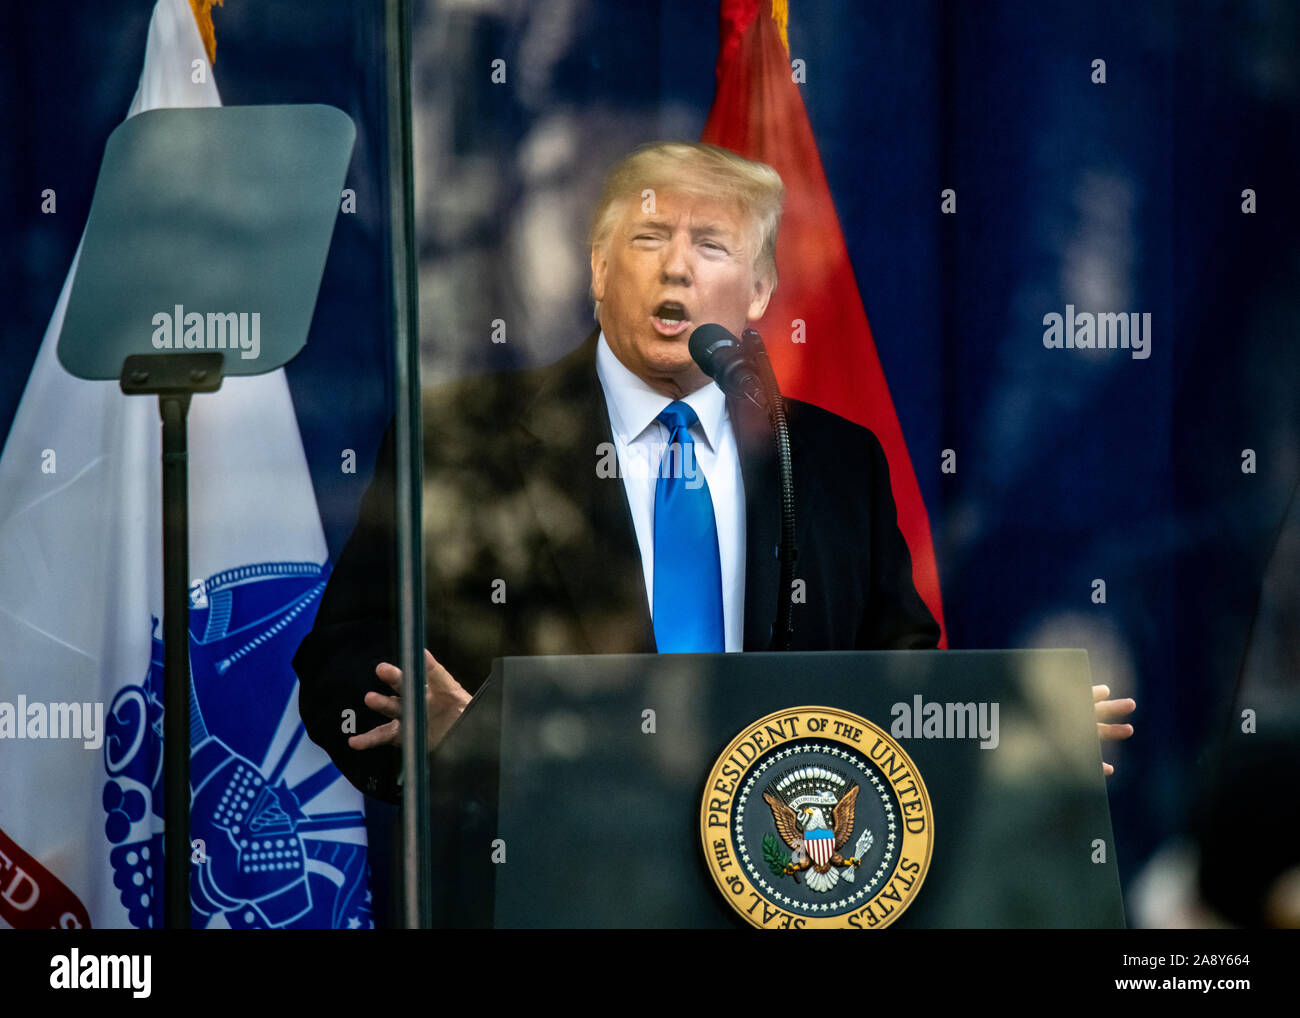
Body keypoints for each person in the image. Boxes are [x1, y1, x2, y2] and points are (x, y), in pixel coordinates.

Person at [293, 141, 1133, 803]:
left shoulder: (831, 464)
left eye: (712, 245)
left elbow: (894, 684)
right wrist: (446, 737)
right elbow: (345, 658)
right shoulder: (463, 439)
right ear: (597, 270)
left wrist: (1012, 735)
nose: (676, 267)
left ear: (761, 289)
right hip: (543, 870)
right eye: (649, 238)